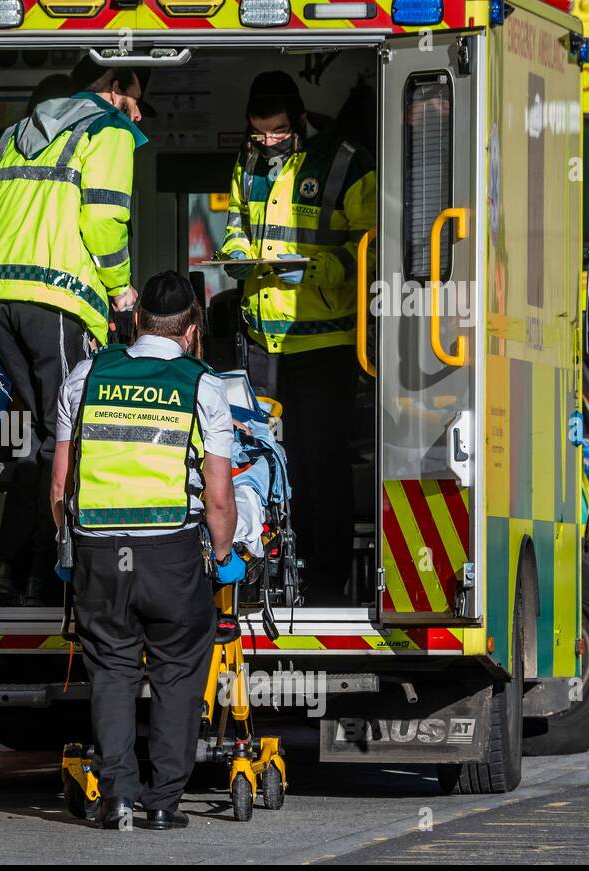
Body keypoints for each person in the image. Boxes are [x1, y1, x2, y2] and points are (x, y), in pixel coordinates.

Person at [50, 271, 240, 831]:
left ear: (136, 322)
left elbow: (60, 487)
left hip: (101, 556)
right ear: (190, 330)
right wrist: (225, 557)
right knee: (180, 669)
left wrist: (69, 552)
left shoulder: (85, 376)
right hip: (171, 555)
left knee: (111, 668)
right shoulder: (204, 387)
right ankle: (163, 802)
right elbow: (220, 497)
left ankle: (119, 800)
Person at [0, 61, 147, 605]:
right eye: (137, 99)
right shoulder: (109, 128)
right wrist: (121, 290)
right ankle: (50, 579)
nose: (139, 114)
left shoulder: (17, 134)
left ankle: (9, 567)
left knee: (36, 436)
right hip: (55, 295)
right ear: (116, 89)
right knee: (66, 434)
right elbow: (103, 219)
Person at [219, 70, 376, 604]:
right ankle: (265, 577)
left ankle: (327, 583)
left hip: (324, 345)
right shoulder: (247, 163)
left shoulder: (344, 161)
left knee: (321, 468)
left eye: (279, 133)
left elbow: (374, 248)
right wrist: (237, 257)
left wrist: (312, 269)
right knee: (258, 463)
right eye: (260, 134)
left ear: (301, 121)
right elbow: (238, 226)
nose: (268, 144)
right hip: (262, 339)